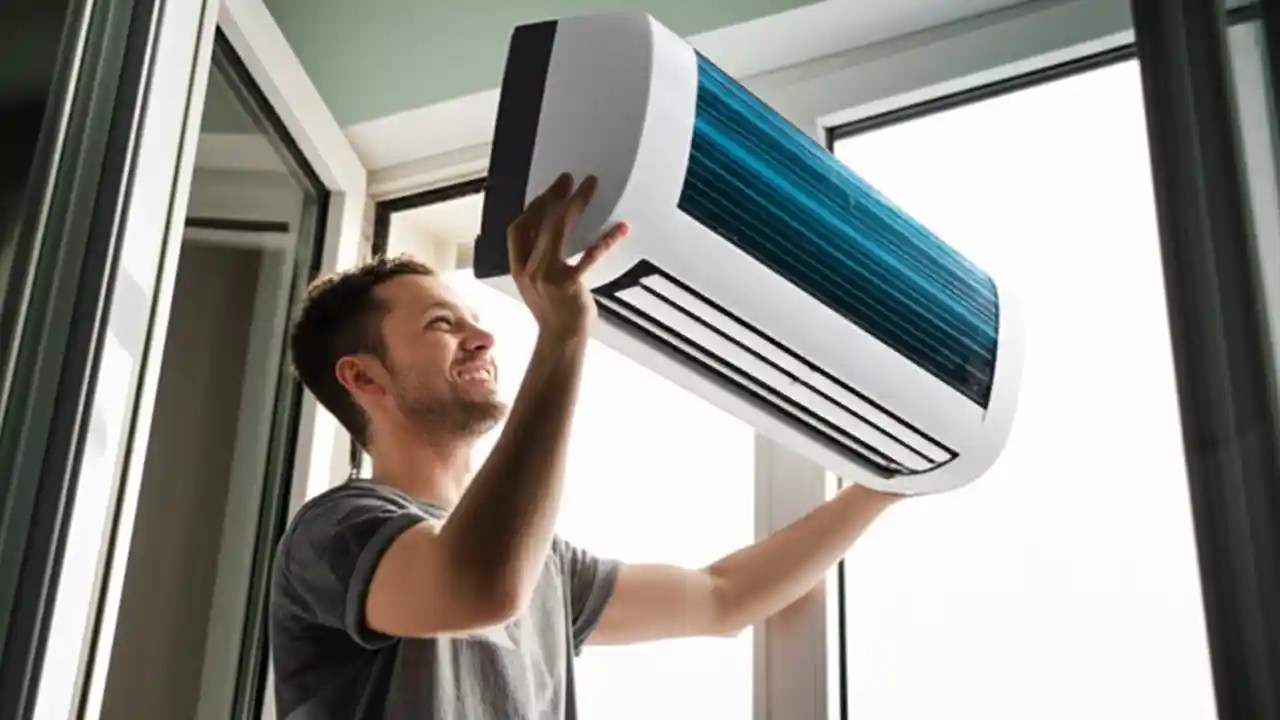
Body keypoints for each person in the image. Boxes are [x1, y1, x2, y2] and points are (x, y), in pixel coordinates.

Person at [270, 172, 905, 719]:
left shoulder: (544, 567)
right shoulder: (333, 536)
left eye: (472, 320)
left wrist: (879, 488)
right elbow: (479, 585)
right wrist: (565, 335)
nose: (482, 338)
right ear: (363, 377)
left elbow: (721, 596)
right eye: (441, 324)